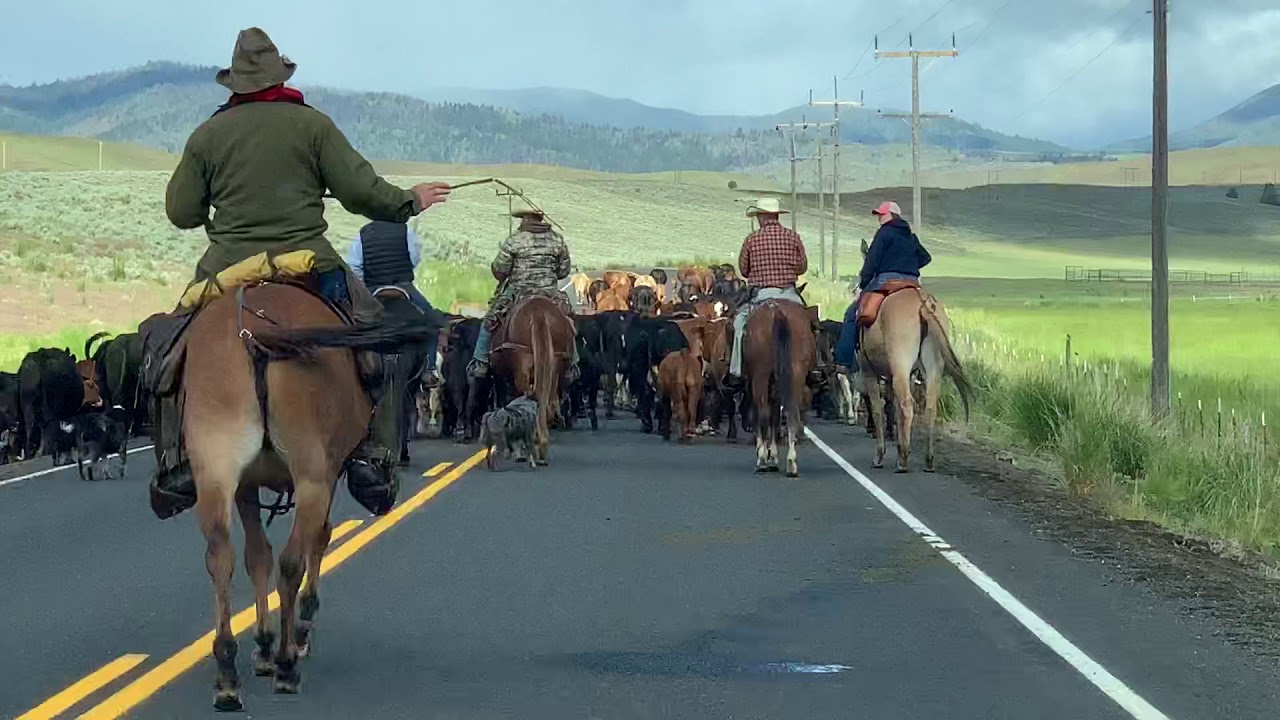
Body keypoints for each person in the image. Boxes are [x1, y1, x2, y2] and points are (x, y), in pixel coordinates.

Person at [142, 27, 451, 520]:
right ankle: (374, 457)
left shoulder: (207, 134)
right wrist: (409, 200)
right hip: (310, 262)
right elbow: (361, 191)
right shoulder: (313, 126)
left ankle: (175, 462)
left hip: (226, 269)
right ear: (279, 74)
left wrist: (221, 211)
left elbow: (180, 212)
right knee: (382, 340)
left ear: (236, 83)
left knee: (164, 342)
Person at [467, 207, 578, 379]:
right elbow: (563, 271)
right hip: (548, 292)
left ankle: (480, 361)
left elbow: (500, 269)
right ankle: (572, 363)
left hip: (519, 291)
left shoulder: (515, 240)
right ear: (540, 219)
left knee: (490, 319)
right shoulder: (557, 240)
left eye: (522, 218)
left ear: (526, 219)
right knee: (568, 320)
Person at [834, 201, 933, 372]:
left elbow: (872, 262)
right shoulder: (911, 236)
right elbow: (926, 258)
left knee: (851, 314)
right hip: (911, 282)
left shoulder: (884, 233)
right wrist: (908, 265)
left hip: (886, 280)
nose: (879, 217)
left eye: (882, 214)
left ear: (892, 215)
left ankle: (843, 361)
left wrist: (862, 285)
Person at [725, 197, 809, 386]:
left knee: (738, 325)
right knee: (812, 325)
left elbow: (744, 270)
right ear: (776, 215)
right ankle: (817, 364)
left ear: (762, 217)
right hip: (789, 293)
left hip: (761, 294)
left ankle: (736, 370)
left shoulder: (751, 239)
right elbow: (802, 267)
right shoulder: (793, 236)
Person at [347, 220, 441, 387]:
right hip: (402, 285)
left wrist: (366, 289)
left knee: (350, 322)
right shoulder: (405, 230)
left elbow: (354, 266)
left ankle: (348, 368)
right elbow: (414, 258)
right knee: (431, 320)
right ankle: (429, 369)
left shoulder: (363, 233)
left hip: (373, 287)